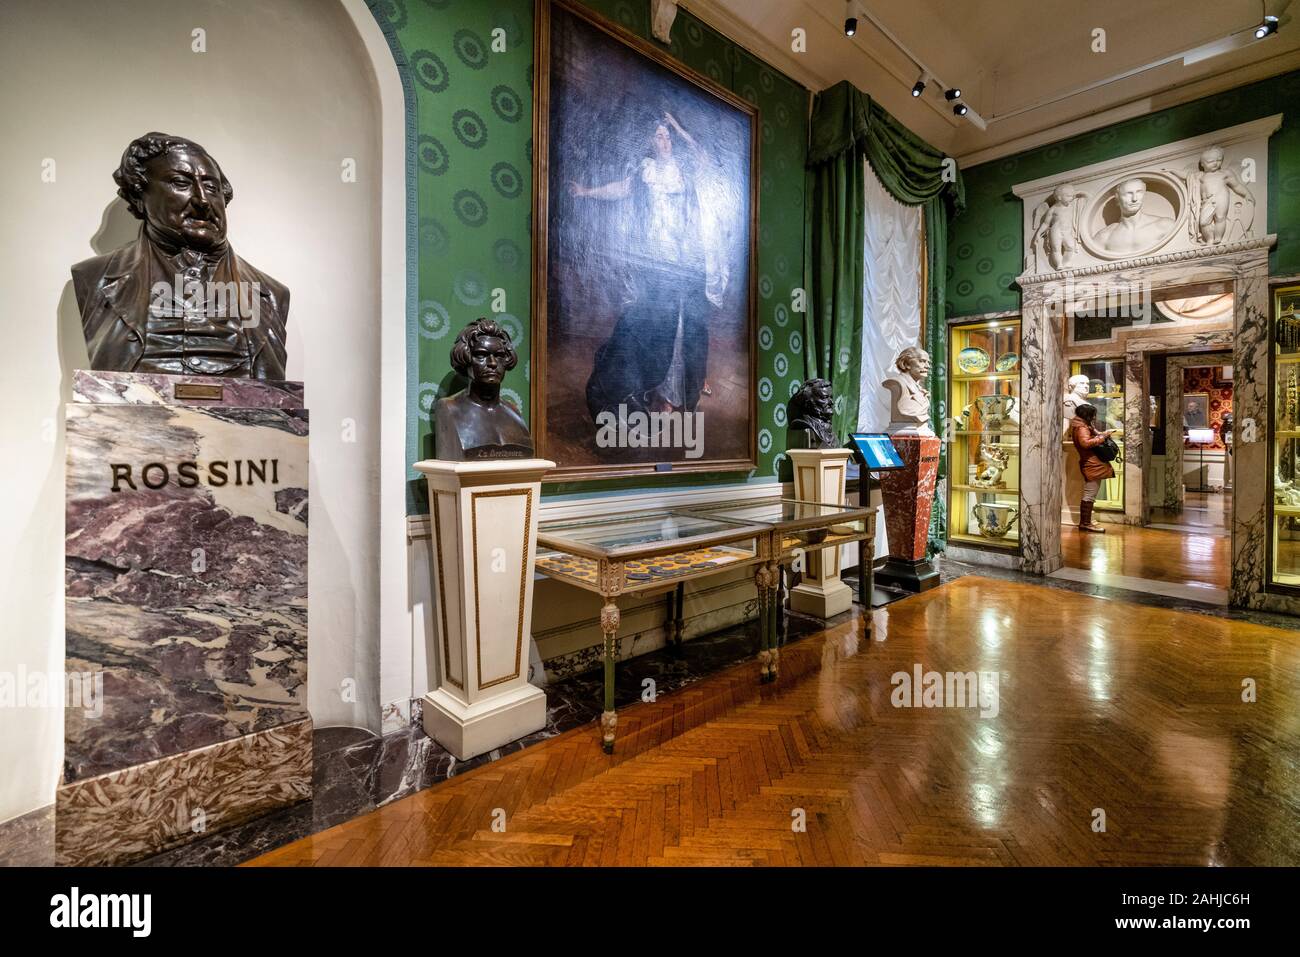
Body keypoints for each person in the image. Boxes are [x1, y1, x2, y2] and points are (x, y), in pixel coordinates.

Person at [570, 111, 724, 423]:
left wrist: (679, 128)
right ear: (650, 142)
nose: (664, 141)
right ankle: (644, 391)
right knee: (653, 327)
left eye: (667, 136)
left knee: (685, 329)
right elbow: (620, 189)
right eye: (659, 136)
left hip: (685, 262)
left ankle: (672, 398)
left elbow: (703, 156)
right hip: (657, 262)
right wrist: (587, 192)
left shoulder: (684, 171)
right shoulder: (645, 171)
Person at [1070, 403, 1115, 533]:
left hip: (1092, 463)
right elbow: (1085, 443)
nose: (1095, 417)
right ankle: (1085, 523)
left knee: (1090, 495)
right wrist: (1102, 437)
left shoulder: (1084, 426)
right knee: (1089, 495)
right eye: (1093, 414)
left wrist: (1101, 433)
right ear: (1087, 415)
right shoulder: (1081, 427)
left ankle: (1086, 523)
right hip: (1092, 464)